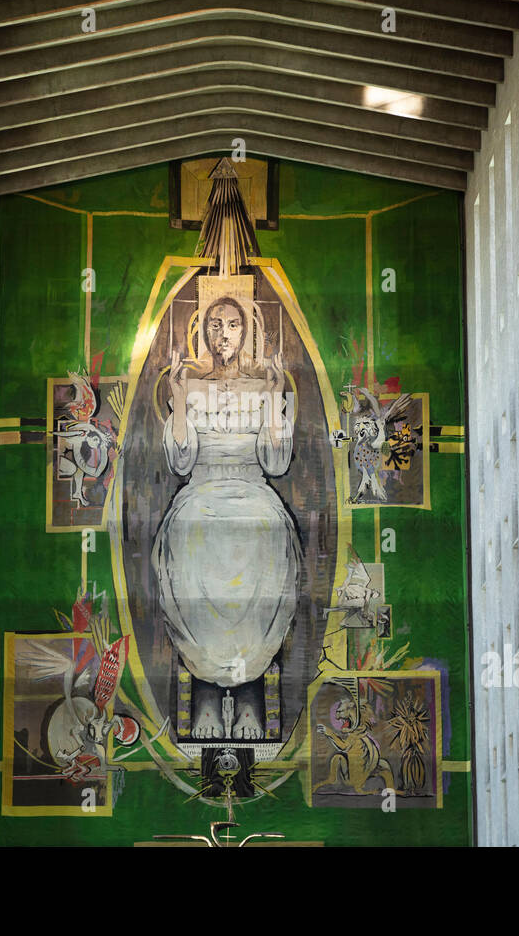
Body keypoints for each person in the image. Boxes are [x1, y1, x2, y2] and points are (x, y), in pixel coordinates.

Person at [151, 295, 301, 739]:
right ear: (204, 332)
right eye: (214, 325)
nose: (223, 334)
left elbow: (275, 463)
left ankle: (251, 701)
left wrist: (274, 397)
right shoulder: (192, 389)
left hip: (253, 490)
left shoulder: (261, 388)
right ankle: (207, 704)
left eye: (233, 325)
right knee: (191, 534)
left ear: (246, 331)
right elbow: (180, 463)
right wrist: (179, 399)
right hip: (201, 491)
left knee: (266, 533)